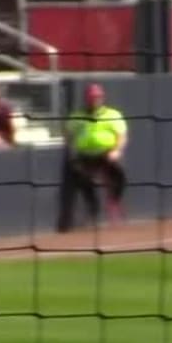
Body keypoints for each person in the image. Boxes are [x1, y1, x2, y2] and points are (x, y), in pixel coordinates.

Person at [56, 83, 128, 233]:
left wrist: (116, 150)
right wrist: (72, 153)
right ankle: (91, 211)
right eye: (92, 98)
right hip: (85, 155)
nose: (95, 100)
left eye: (98, 97)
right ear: (87, 99)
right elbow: (68, 136)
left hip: (106, 153)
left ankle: (113, 200)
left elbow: (121, 136)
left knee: (119, 175)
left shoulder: (112, 115)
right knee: (81, 179)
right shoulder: (77, 116)